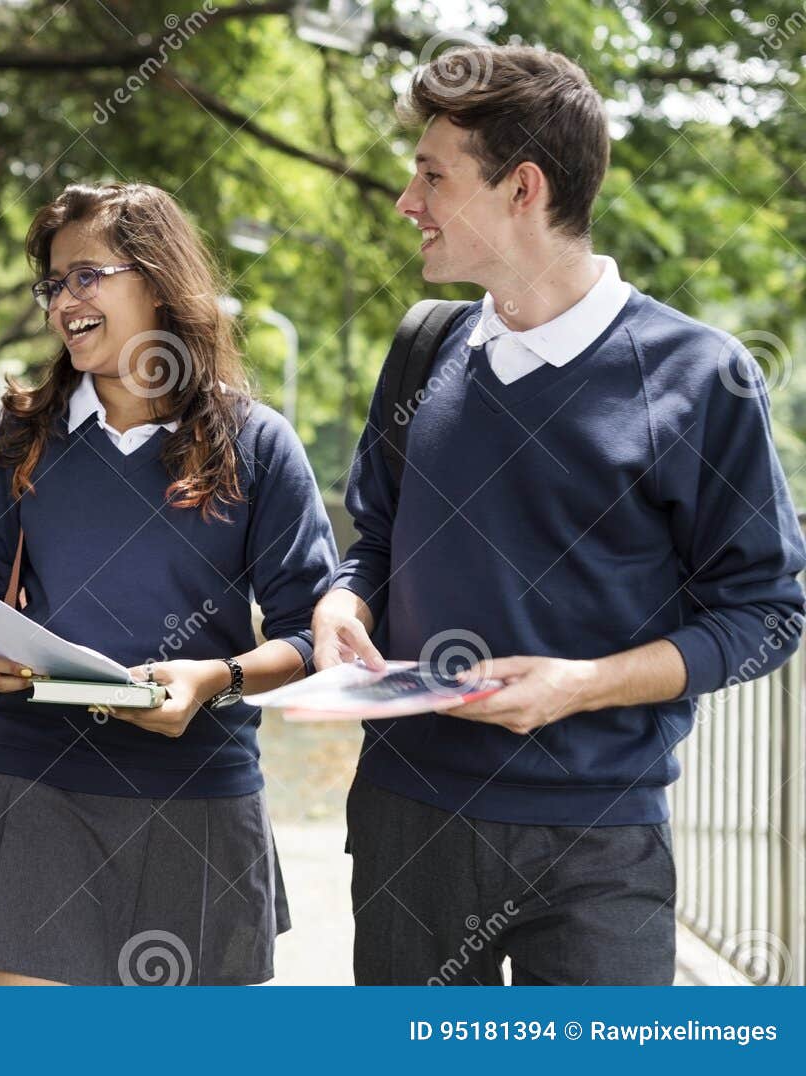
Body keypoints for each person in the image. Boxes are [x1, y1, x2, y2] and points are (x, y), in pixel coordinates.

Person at [313, 45, 806, 985]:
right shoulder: (424, 350)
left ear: (522, 188)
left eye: (431, 175)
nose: (405, 202)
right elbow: (371, 543)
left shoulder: (702, 378)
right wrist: (347, 604)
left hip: (597, 844)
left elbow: (764, 617)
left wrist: (581, 684)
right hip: (406, 820)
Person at [0, 182, 337, 986]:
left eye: (88, 276)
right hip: (36, 784)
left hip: (199, 793)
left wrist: (215, 679)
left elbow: (309, 638)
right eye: (53, 284)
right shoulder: (22, 432)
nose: (64, 302)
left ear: (156, 279)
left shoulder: (256, 443)